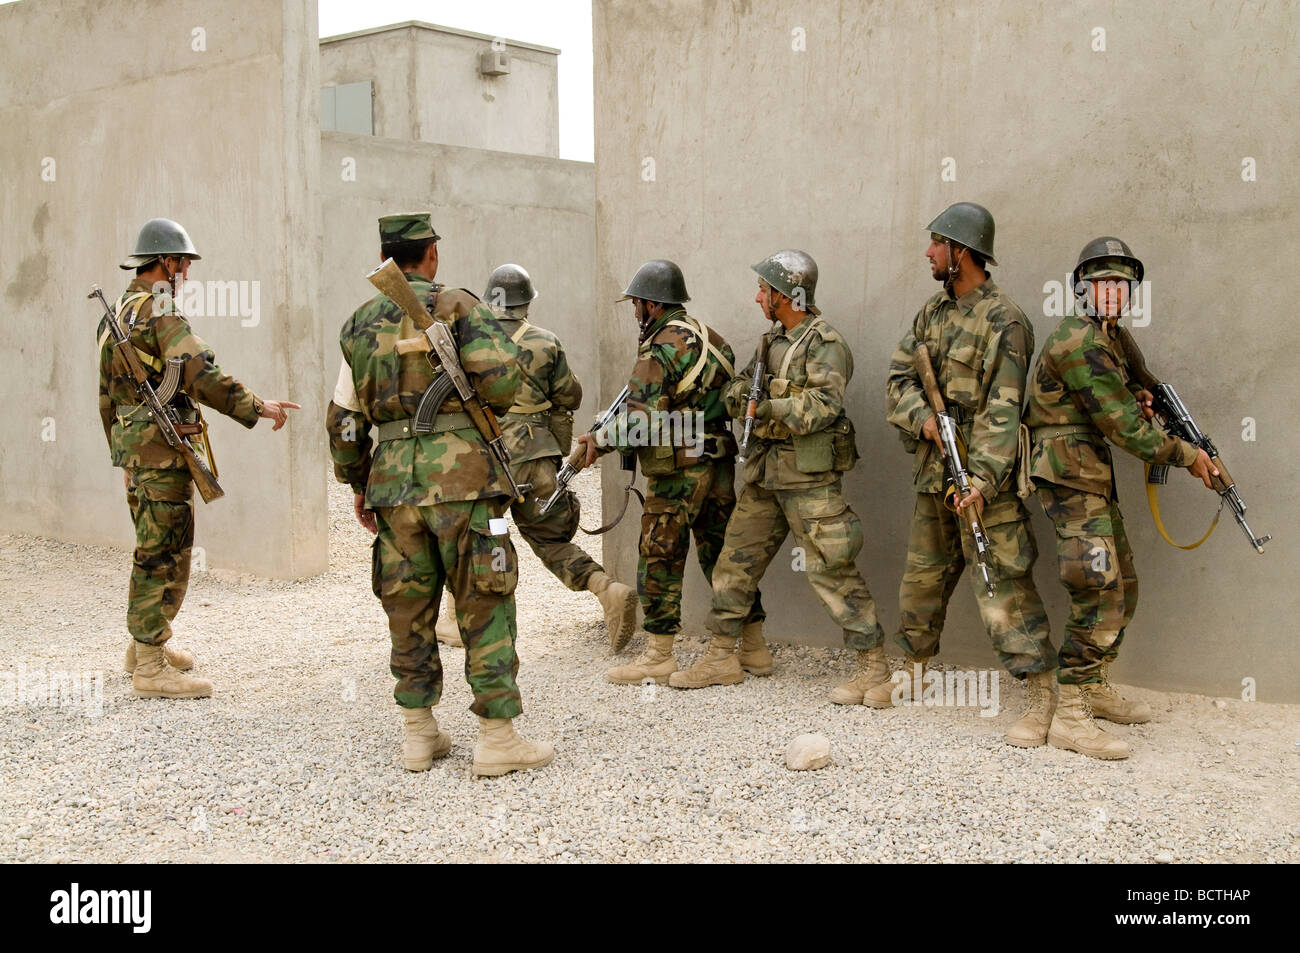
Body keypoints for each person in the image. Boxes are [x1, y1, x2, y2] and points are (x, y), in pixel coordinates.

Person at [325, 213, 553, 776]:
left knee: (408, 606)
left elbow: (344, 422)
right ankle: (498, 738)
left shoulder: (357, 325)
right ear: (429, 254)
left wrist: (360, 483)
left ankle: (419, 734)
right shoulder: (458, 306)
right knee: (486, 598)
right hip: (469, 487)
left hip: (394, 490)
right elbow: (504, 384)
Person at [1025, 237, 1215, 760]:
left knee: (1123, 583)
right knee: (1098, 589)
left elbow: (1125, 399)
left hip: (1090, 476)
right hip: (1069, 479)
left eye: (1121, 285)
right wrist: (1188, 456)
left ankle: (1094, 686)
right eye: (1102, 283)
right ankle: (1068, 715)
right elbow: (1124, 426)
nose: (1113, 292)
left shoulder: (1111, 338)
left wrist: (1141, 395)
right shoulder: (1079, 340)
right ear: (1082, 289)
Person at [98, 217, 298, 699]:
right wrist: (257, 406)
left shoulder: (119, 313)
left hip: (137, 448)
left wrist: (122, 448)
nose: (185, 272)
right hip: (160, 453)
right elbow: (199, 374)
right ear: (165, 262)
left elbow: (106, 395)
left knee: (156, 542)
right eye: (182, 263)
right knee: (164, 550)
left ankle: (145, 644)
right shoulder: (160, 308)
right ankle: (149, 664)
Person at [882, 203, 1057, 746]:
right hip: (935, 473)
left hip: (985, 484)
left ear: (962, 253)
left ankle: (1042, 694)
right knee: (921, 581)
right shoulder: (930, 315)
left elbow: (1003, 414)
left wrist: (978, 481)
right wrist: (925, 421)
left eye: (938, 243)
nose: (929, 253)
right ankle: (912, 668)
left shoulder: (1006, 321)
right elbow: (898, 380)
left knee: (1002, 583)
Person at [677, 250, 887, 696]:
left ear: (788, 294)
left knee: (832, 570)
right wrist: (746, 398)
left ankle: (872, 665)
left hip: (809, 480)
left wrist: (770, 403)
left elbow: (824, 406)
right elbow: (738, 388)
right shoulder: (770, 342)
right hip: (765, 475)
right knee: (733, 564)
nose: (757, 298)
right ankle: (722, 656)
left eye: (764, 290)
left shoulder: (825, 343)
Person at [572, 259, 764, 685]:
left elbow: (641, 420)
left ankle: (659, 654)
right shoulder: (712, 340)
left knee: (660, 555)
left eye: (636, 305)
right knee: (723, 555)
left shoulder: (659, 349)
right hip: (716, 463)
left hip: (677, 471)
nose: (635, 313)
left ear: (650, 305)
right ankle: (753, 645)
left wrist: (599, 442)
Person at [433, 264, 636, 651]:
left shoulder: (465, 341)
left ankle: (462, 620)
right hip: (535, 455)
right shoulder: (546, 341)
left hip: (481, 458)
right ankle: (606, 589)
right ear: (526, 303)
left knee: (470, 536)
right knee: (549, 538)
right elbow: (570, 396)